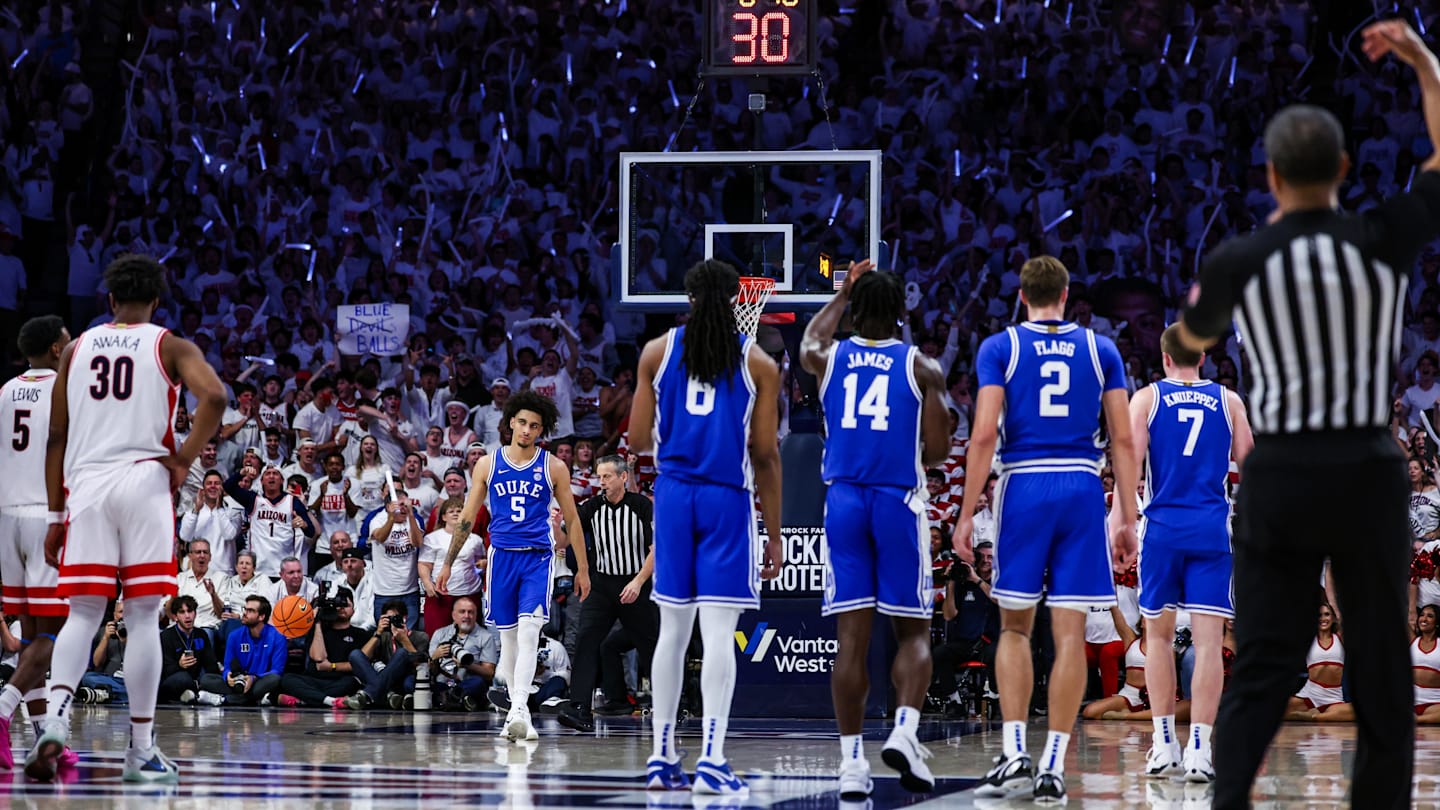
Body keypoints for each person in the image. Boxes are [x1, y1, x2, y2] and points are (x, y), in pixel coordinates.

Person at [1180, 22, 1440, 809]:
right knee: (1381, 666)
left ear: (1269, 175)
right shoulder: (1382, 235)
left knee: (1262, 663)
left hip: (1282, 472)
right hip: (1365, 468)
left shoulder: (1238, 259)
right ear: (1344, 169)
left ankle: (1228, 803)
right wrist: (1427, 64)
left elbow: (1189, 336)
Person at [29, 254, 227, 783]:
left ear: (109, 301)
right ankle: (140, 751)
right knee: (141, 618)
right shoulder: (169, 344)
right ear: (157, 302)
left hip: (87, 486)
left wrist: (55, 514)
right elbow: (215, 396)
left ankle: (56, 718)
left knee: (83, 614)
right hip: (144, 481)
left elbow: (55, 437)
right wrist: (184, 458)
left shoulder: (75, 349)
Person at [955, 255, 1138, 803]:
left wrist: (967, 512)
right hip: (1082, 486)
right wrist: (1126, 514)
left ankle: (1014, 752)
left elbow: (984, 434)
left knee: (1014, 628)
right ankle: (1053, 765)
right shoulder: (1100, 348)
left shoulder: (1001, 347)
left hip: (1026, 485)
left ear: (1021, 295)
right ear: (1065, 296)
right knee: (1068, 635)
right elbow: (1123, 439)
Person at [627, 259, 784, 796]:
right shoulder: (758, 361)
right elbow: (765, 456)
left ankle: (661, 755)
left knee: (673, 632)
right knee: (719, 634)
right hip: (726, 499)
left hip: (673, 495)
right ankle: (713, 759)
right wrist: (776, 534)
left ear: (688, 297)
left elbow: (637, 440)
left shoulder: (657, 351)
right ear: (740, 299)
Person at [797, 260, 951, 799]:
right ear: (903, 314)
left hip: (843, 501)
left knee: (851, 642)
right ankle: (905, 731)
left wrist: (841, 294)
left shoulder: (829, 355)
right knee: (912, 631)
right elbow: (936, 451)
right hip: (896, 502)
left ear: (856, 312)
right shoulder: (922, 366)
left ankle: (850, 765)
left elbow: (807, 341)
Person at [1126, 324, 1253, 781]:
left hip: (1161, 527)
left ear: (1163, 358)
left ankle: (1164, 744)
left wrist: (1124, 520)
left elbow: (1130, 464)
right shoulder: (1229, 401)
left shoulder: (1146, 398)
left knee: (1156, 638)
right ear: (1203, 357)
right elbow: (1251, 468)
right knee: (1208, 643)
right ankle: (1201, 748)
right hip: (1210, 527)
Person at [437, 389, 591, 741]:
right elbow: (467, 517)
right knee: (507, 640)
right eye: (521, 422)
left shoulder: (554, 466)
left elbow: (573, 520)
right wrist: (448, 563)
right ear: (509, 424)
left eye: (534, 426)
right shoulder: (487, 464)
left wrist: (582, 568)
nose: (526, 430)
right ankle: (514, 709)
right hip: (501, 556)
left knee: (529, 633)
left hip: (537, 557)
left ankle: (521, 707)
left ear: (542, 431)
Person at [0, 315, 76, 768]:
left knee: (32, 636)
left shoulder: (5, 391)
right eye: (67, 341)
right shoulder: (64, 388)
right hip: (45, 514)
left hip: (7, 516)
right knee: (57, 634)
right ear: (54, 349)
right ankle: (3, 710)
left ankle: (45, 740)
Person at [557, 455, 660, 733]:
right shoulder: (592, 506)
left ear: (623, 477)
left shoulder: (641, 506)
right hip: (602, 585)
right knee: (586, 641)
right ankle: (579, 707)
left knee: (649, 645)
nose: (601, 482)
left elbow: (656, 549)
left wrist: (638, 582)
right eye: (599, 477)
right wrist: (559, 524)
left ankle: (670, 703)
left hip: (635, 584)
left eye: (607, 476)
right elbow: (566, 539)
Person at [277, 586, 369, 708]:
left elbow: (359, 665)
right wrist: (318, 622)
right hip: (313, 679)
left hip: (340, 680)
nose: (341, 608)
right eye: (337, 605)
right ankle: (329, 701)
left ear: (353, 609)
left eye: (345, 605)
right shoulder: (317, 630)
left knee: (352, 683)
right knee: (287, 679)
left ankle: (305, 700)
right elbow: (319, 657)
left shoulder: (361, 634)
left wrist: (332, 667)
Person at [344, 600, 431, 710]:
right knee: (355, 654)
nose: (392, 621)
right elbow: (363, 657)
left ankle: (369, 694)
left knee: (402, 653)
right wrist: (378, 633)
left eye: (395, 618)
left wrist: (404, 640)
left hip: (405, 677)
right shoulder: (383, 636)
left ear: (404, 618)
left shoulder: (420, 636)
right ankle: (389, 694)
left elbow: (419, 664)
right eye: (388, 618)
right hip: (384, 676)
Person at [428, 596, 500, 711]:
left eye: (471, 612)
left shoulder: (486, 637)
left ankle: (449, 698)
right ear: (454, 615)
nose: (467, 616)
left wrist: (467, 664)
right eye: (462, 612)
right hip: (442, 681)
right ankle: (460, 700)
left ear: (476, 615)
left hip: (467, 682)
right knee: (416, 682)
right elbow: (431, 671)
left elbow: (489, 673)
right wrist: (435, 657)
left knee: (478, 683)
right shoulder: (439, 634)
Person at [1285, 603, 1353, 721]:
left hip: (1333, 696)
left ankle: (1314, 716)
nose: (1323, 618)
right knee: (1278, 707)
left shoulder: (1339, 637)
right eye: (1319, 615)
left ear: (1333, 617)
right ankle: (1316, 715)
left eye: (1327, 614)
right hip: (1310, 694)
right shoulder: (1308, 639)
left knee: (1356, 711)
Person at [219, 596, 287, 706]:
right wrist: (228, 676)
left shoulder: (277, 637)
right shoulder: (234, 636)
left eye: (250, 611)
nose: (245, 613)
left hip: (260, 681)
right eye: (245, 609)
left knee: (275, 680)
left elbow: (277, 671)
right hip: (239, 681)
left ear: (261, 616)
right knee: (206, 680)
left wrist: (254, 678)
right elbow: (227, 666)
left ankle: (224, 699)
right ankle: (256, 699)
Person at [158, 596, 226, 705]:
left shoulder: (201, 634)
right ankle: (201, 694)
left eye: (190, 611)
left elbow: (211, 666)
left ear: (195, 613)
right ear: (175, 617)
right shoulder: (166, 636)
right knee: (183, 678)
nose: (187, 616)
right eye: (182, 612)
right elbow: (165, 671)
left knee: (210, 679)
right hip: (174, 680)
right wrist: (179, 665)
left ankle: (194, 695)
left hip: (198, 680)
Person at [1413, 604, 1440, 725]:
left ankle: (1417, 720)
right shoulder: (1412, 640)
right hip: (1410, 702)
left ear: (1437, 622)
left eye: (1430, 616)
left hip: (1434, 704)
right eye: (1422, 615)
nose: (1424, 619)